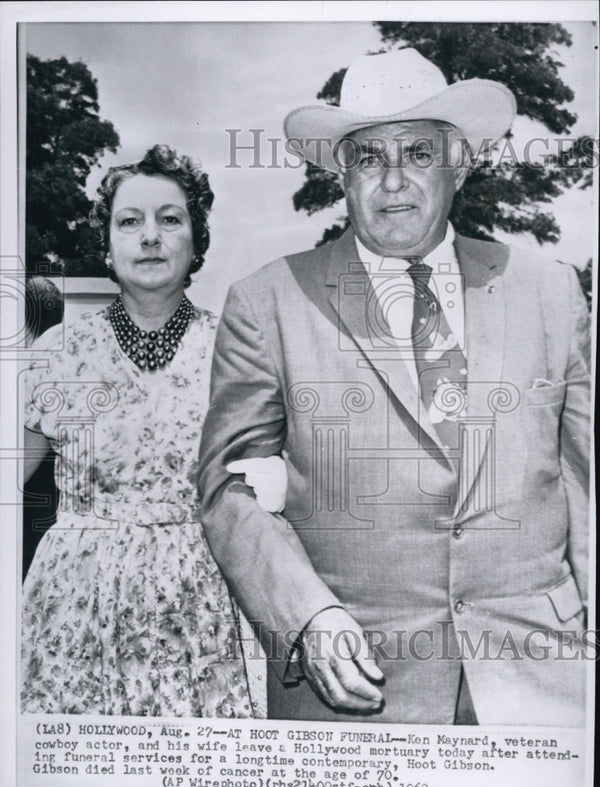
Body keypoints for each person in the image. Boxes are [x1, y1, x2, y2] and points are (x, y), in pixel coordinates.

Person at [198, 50, 591, 725]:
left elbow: (587, 480)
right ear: (341, 176)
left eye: (416, 153)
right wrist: (306, 613)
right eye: (369, 159)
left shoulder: (551, 290)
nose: (393, 182)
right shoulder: (267, 302)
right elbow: (228, 488)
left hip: (542, 685)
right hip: (357, 695)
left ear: (459, 165)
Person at [21, 144, 274, 716]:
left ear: (196, 240)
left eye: (171, 219)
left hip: (202, 608)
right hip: (73, 609)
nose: (150, 236)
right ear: (107, 247)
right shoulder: (58, 352)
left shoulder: (238, 349)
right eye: (130, 221)